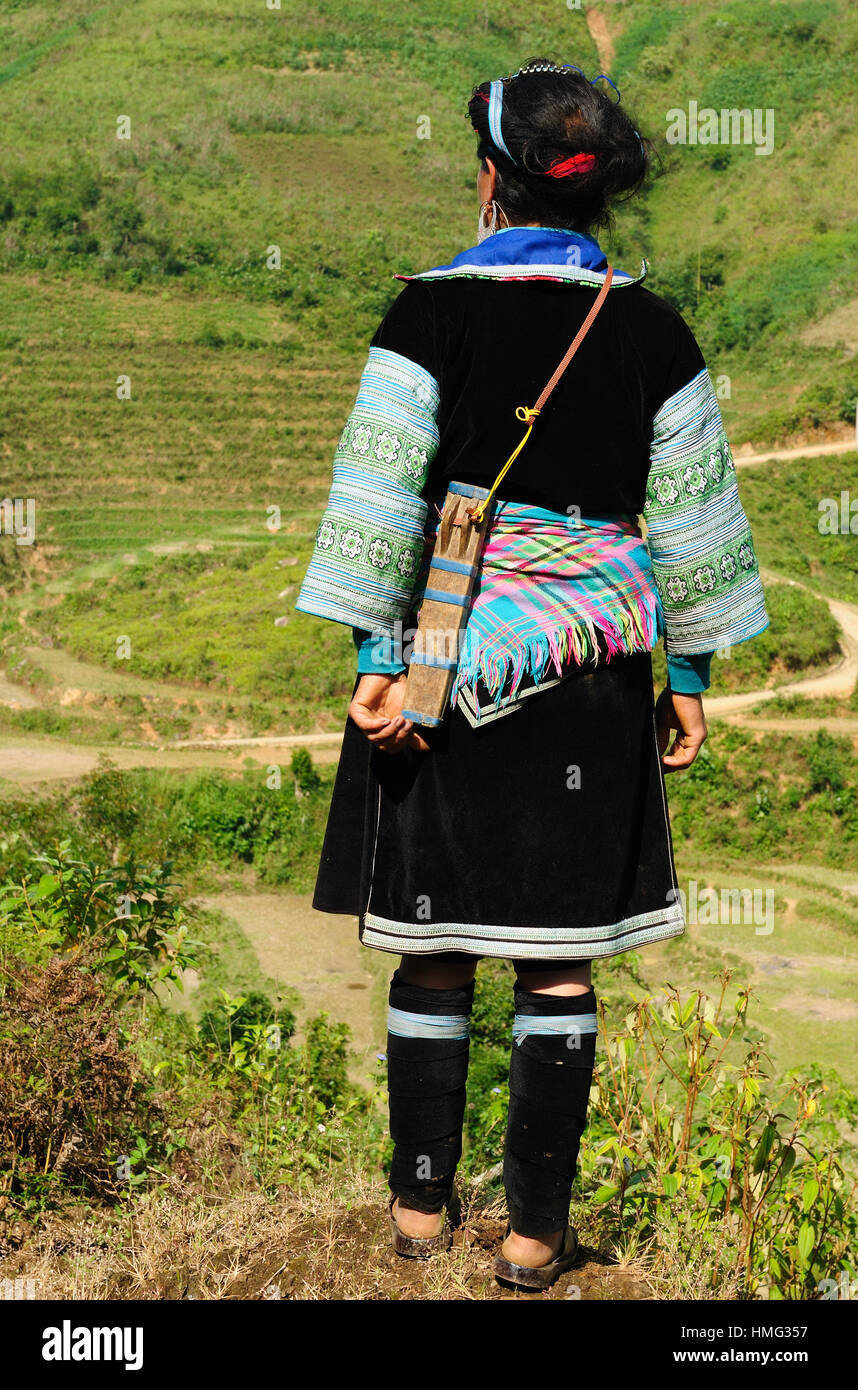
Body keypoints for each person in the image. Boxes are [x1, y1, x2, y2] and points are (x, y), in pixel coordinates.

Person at [295, 58, 769, 1291]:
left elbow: (377, 502)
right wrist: (692, 672)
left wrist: (373, 658)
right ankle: (533, 1240)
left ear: (489, 181)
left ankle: (413, 1224)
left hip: (446, 670)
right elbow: (692, 524)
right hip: (596, 673)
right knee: (557, 954)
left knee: (436, 945)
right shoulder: (653, 332)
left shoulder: (426, 315)